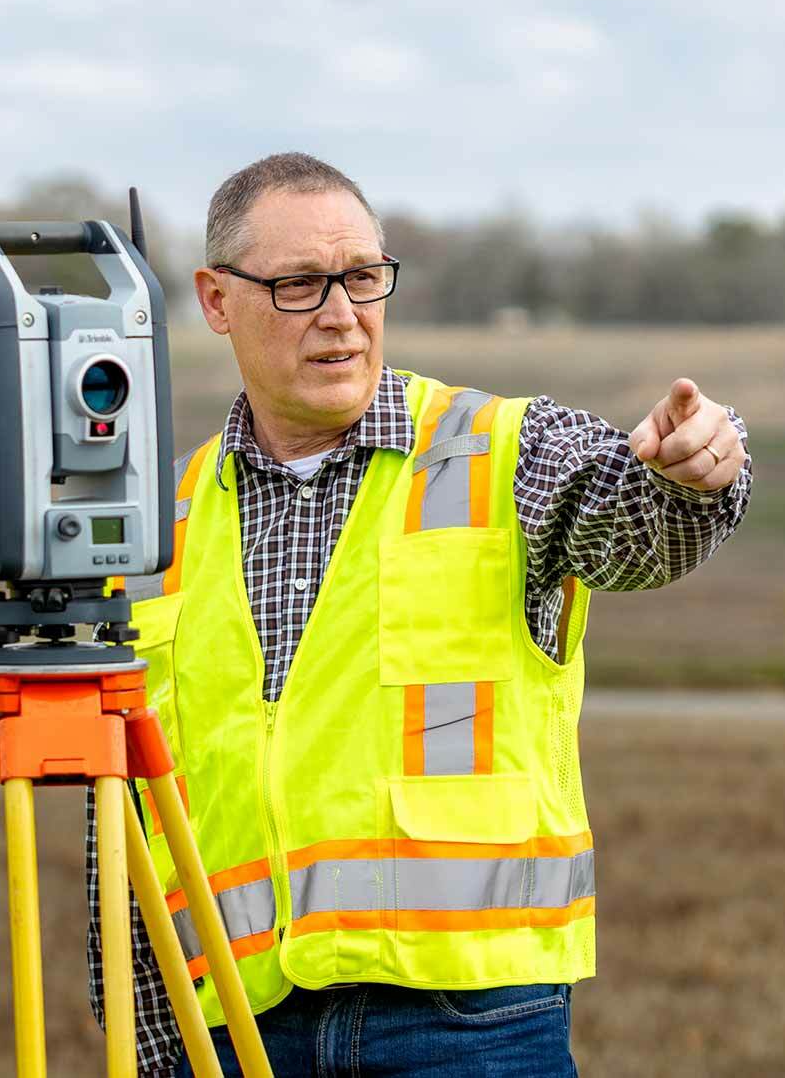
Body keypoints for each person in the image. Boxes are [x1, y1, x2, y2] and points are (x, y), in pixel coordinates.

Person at [84, 152, 751, 1077]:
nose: (341, 314)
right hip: (235, 1035)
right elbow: (126, 834)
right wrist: (156, 1047)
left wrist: (696, 472)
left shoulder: (501, 453)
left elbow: (639, 524)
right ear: (215, 298)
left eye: (362, 277)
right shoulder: (164, 523)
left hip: (467, 1028)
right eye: (298, 285)